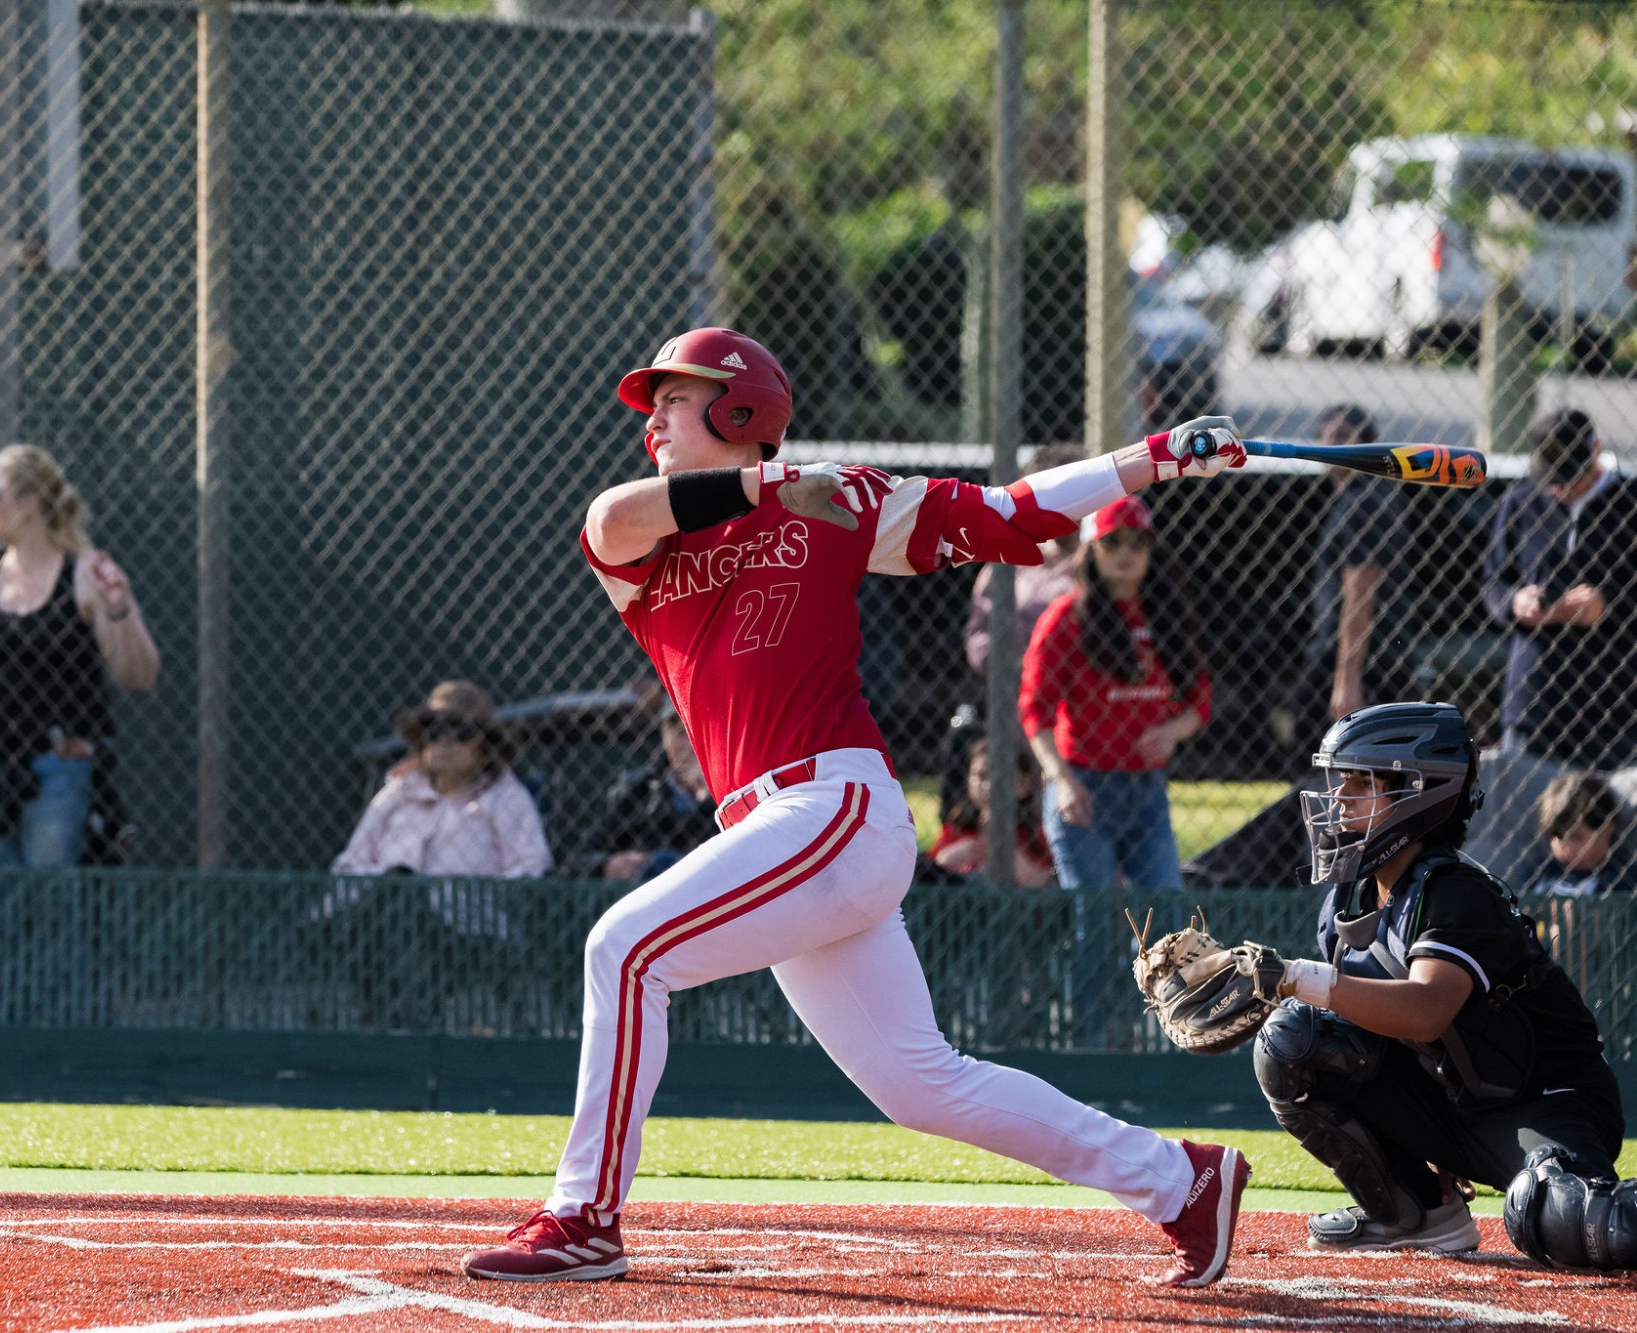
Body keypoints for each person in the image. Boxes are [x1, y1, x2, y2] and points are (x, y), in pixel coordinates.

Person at [460, 326, 1254, 1289]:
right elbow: (610, 516)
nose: (653, 420)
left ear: (740, 408)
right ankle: (1179, 1182)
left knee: (623, 950)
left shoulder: (840, 503)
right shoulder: (647, 540)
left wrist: (1153, 457)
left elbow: (1008, 514)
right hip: (774, 833)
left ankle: (585, 1217)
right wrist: (769, 485)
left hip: (830, 804)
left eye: (675, 398)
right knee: (920, 1083)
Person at [1248, 702, 1626, 1263]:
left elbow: (1425, 1011)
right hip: (1458, 1101)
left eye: (1361, 782)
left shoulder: (1455, 891)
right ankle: (1417, 1213)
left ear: (1417, 794)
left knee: (1560, 1215)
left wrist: (1293, 977)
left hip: (1541, 1103)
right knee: (1293, 1041)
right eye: (1340, 779)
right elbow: (1377, 1028)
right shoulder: (1349, 898)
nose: (1339, 798)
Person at [0, 444, 159, 866]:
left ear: (29, 503)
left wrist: (118, 610)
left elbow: (139, 675)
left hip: (58, 768)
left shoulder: (84, 572)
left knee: (49, 899)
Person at [1020, 494, 1209, 890]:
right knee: (1097, 916)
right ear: (1091, 550)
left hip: (1148, 789)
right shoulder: (1066, 618)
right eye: (1112, 542)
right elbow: (1035, 711)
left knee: (1166, 908)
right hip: (1084, 788)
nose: (1126, 553)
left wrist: (1172, 732)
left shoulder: (1167, 616)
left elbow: (1200, 700)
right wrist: (1061, 780)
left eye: (1138, 543)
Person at [1482, 408, 1637, 769]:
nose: (1559, 488)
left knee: (1610, 802)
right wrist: (1516, 603)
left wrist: (1606, 605)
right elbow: (1493, 582)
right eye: (1551, 478)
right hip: (1535, 698)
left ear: (1596, 450)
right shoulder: (1521, 500)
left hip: (1615, 702)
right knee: (1525, 795)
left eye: (1569, 477)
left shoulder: (1629, 503)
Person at [1284, 405, 1416, 750]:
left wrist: (1347, 679)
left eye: (1342, 437)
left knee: (1316, 754)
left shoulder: (1365, 502)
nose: (1331, 445)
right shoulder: (1360, 497)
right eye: (1325, 437)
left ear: (1367, 444)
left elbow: (1360, 592)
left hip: (1364, 660)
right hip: (1362, 655)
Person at [333, 680, 552, 878]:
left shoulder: (506, 796)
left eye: (461, 732)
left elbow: (531, 867)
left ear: (485, 746)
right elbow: (349, 865)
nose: (444, 742)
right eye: (434, 731)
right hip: (390, 905)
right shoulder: (397, 792)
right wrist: (389, 880)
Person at [963, 443, 1086, 684]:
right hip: (1016, 686)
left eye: (1074, 498)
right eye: (1052, 498)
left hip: (1081, 685)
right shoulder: (1008, 562)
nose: (1064, 509)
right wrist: (1014, 665)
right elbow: (979, 634)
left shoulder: (1098, 559)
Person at [565, 701, 715, 881]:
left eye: (698, 730)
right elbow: (577, 856)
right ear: (665, 737)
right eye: (681, 733)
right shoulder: (636, 788)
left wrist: (708, 795)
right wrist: (608, 864)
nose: (689, 744)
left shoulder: (732, 791)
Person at [930, 735, 1053, 886]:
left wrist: (1006, 848)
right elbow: (927, 872)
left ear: (1023, 785)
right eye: (981, 776)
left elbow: (1043, 882)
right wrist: (947, 858)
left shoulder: (1033, 833)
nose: (989, 786)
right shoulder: (957, 829)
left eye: (1000, 778)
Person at [1525, 771, 1634, 897]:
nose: (1566, 848)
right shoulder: (1543, 874)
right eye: (1558, 837)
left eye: (1576, 837)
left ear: (1606, 828)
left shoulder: (1624, 881)